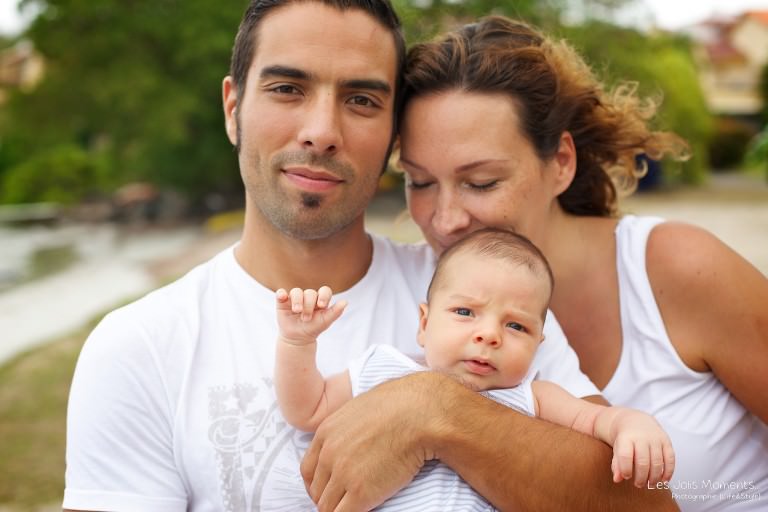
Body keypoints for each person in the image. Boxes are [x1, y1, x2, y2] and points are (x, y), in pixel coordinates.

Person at [62, 2, 677, 511]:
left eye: (361, 100)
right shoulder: (139, 345)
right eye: (286, 88)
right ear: (232, 108)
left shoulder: (481, 297)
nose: (321, 131)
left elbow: (648, 505)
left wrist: (436, 409)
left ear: (392, 138)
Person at [368, 15, 764, 512]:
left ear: (560, 162)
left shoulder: (676, 267)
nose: (444, 220)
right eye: (420, 181)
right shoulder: (423, 297)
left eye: (482, 182)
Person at [275, 229, 676, 510]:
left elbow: (599, 421)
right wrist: (297, 343)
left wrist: (632, 425)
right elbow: (308, 409)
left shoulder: (534, 397)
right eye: (465, 312)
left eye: (516, 326)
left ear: (538, 345)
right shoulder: (382, 367)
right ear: (424, 323)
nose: (489, 335)